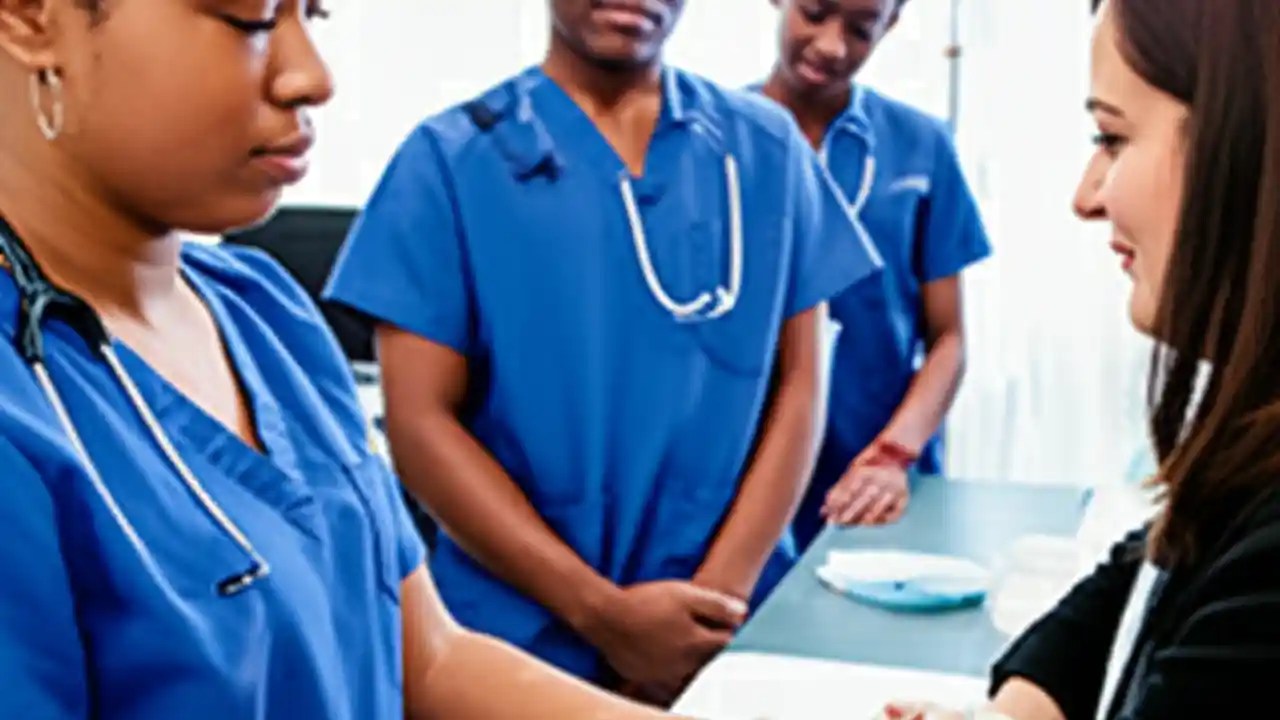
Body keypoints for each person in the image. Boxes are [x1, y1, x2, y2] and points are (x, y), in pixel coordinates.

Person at [0, 0, 686, 716]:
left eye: (314, 14)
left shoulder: (264, 312)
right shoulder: (23, 412)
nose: (312, 77)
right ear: (32, 16)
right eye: (253, 20)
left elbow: (425, 657)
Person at [324, 0, 882, 705]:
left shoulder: (765, 150)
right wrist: (601, 614)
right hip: (516, 646)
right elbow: (419, 424)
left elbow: (802, 385)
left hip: (731, 631)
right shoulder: (449, 162)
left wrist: (708, 610)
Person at [884, 0, 1280, 718]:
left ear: (1248, 145)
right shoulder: (1247, 460)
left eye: (1113, 138)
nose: (1087, 196)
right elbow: (1140, 577)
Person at [760, 0, 991, 547]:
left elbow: (949, 339)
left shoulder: (922, 145)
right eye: (814, 13)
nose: (832, 46)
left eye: (861, 30)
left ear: (892, 24)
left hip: (876, 478)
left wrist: (893, 455)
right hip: (745, 473)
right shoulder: (717, 138)